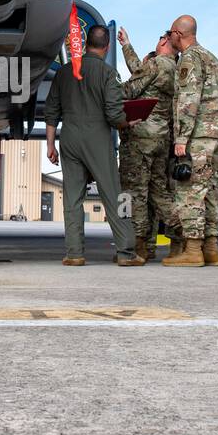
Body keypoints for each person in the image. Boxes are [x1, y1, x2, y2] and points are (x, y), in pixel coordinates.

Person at [44, 24, 142, 267]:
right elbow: (114, 113)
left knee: (72, 198)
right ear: (107, 47)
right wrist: (127, 122)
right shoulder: (109, 73)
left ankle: (74, 253)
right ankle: (126, 252)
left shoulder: (64, 72)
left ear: (86, 43)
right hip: (98, 139)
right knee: (116, 196)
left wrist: (50, 146)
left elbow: (51, 111)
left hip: (70, 139)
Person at [165, 14, 218, 267]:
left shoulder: (189, 59)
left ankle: (192, 250)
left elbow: (189, 100)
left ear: (179, 34)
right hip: (217, 133)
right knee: (211, 190)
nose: (170, 39)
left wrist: (181, 138)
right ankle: (211, 248)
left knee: (190, 191)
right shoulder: (212, 58)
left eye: (170, 34)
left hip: (199, 135)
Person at [117, 27, 179, 263]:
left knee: (137, 193)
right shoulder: (174, 69)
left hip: (141, 138)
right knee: (159, 191)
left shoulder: (155, 65)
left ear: (164, 41)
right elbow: (140, 72)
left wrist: (104, 89)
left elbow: (131, 87)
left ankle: (140, 247)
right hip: (162, 138)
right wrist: (127, 46)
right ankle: (184, 233)